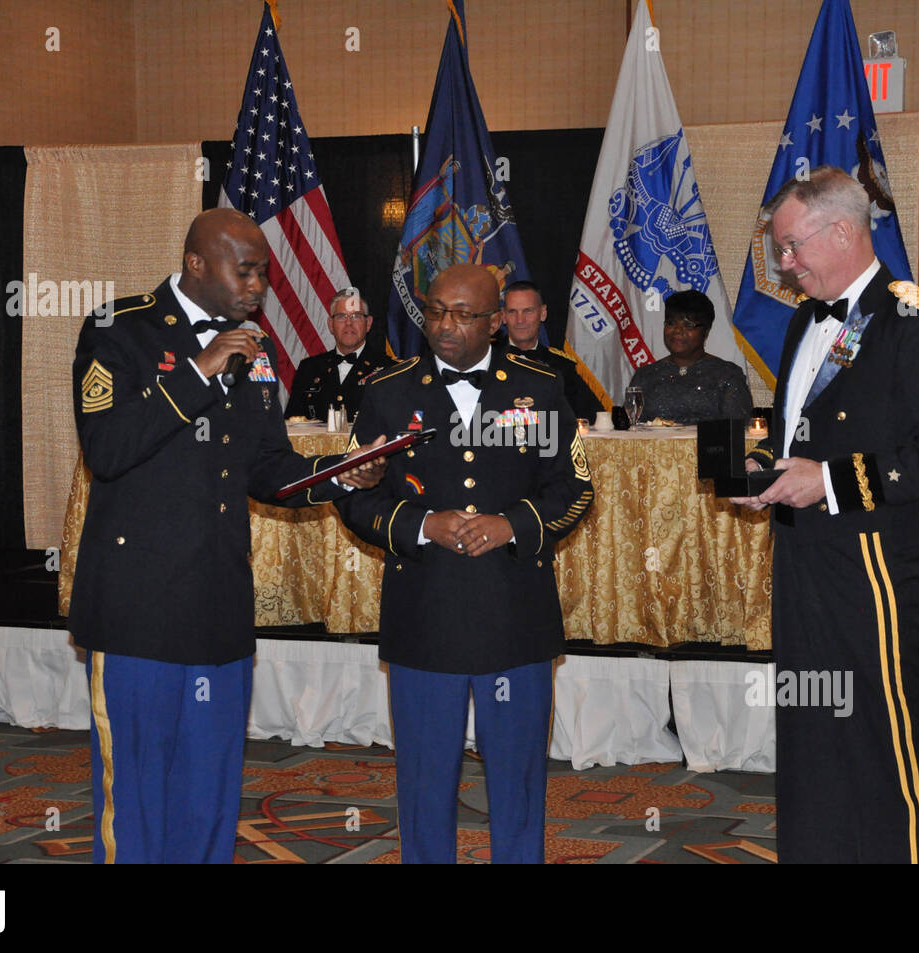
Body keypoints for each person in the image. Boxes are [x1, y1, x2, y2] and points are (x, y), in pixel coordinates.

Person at [69, 208, 386, 864]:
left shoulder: (253, 346)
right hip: (139, 609)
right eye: (245, 271)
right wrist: (199, 369)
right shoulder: (118, 328)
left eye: (264, 272)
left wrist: (345, 473)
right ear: (195, 263)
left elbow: (266, 467)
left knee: (210, 789)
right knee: (137, 788)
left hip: (217, 600)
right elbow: (107, 447)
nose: (259, 286)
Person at [733, 166, 919, 863]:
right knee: (810, 732)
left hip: (873, 562)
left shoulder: (918, 314)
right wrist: (765, 476)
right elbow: (800, 441)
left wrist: (832, 481)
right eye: (780, 250)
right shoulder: (803, 322)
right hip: (802, 558)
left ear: (841, 230)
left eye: (790, 247)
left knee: (880, 735)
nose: (784, 265)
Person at [335, 263, 594, 864]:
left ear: (498, 321)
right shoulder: (388, 390)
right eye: (434, 311)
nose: (445, 326)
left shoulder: (541, 386)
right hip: (426, 613)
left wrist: (513, 523)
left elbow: (574, 487)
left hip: (515, 613)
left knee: (519, 781)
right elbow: (354, 493)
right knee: (424, 783)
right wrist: (423, 524)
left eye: (464, 315)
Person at [626, 289, 753, 424]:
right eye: (671, 323)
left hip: (709, 445)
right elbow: (632, 427)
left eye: (688, 325)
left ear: (706, 332)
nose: (678, 331)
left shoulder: (727, 375)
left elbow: (737, 432)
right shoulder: (645, 375)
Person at [500, 280, 605, 421]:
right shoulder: (486, 361)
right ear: (503, 316)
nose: (520, 320)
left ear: (543, 313)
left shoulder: (562, 366)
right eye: (513, 312)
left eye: (528, 311)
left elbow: (592, 416)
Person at [283, 287, 393, 420]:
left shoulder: (389, 369)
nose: (348, 323)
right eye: (341, 317)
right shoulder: (309, 369)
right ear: (330, 325)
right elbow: (292, 422)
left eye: (356, 316)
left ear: (368, 323)